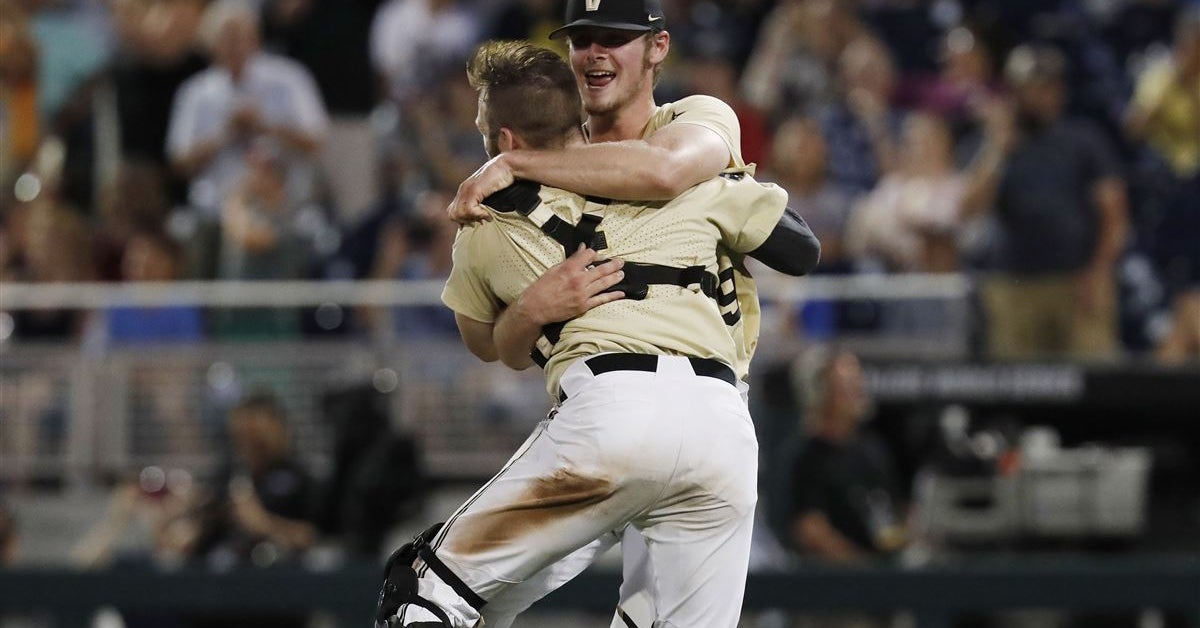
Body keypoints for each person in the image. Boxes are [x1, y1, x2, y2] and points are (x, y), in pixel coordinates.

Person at [375, 40, 819, 628]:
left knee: (423, 593)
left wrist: (530, 310)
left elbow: (486, 346)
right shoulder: (686, 176)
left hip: (610, 417)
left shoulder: (485, 224)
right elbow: (801, 248)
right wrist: (725, 187)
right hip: (724, 430)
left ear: (503, 139)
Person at [964, 44, 1129, 361]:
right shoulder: (993, 142)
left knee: (1094, 378)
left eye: (1046, 87)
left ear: (1060, 91)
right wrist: (997, 150)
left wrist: (1099, 272)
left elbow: (1114, 213)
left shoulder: (1084, 140)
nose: (1037, 96)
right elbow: (969, 210)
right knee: (1016, 381)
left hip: (1077, 280)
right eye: (1028, 88)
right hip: (1012, 285)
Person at [165, 0, 328, 216]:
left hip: (287, 209)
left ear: (255, 38)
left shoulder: (288, 79)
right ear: (209, 44)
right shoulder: (195, 92)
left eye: (239, 37)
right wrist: (226, 134)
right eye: (225, 38)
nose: (233, 46)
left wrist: (265, 125)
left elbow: (317, 141)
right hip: (214, 212)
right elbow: (179, 162)